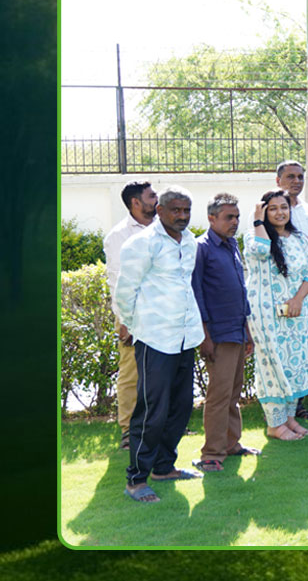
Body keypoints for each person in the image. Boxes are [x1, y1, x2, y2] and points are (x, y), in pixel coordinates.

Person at [114, 187, 205, 502]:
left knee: (181, 407)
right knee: (152, 410)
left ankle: (164, 467)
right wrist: (133, 325)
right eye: (176, 210)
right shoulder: (141, 244)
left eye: (186, 211)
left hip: (185, 337)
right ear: (161, 210)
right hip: (155, 338)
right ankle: (136, 479)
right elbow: (125, 290)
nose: (182, 216)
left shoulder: (190, 241)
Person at [244, 190, 308, 442]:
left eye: (284, 207)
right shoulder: (254, 235)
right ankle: (274, 424)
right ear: (264, 212)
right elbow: (259, 251)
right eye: (273, 208)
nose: (280, 212)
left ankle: (289, 418)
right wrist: (257, 221)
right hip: (266, 313)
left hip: (296, 311)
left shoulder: (300, 238)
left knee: (294, 362)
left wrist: (299, 299)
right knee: (273, 363)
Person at [190, 193, 255, 473]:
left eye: (237, 217)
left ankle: (231, 444)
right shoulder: (201, 248)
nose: (235, 222)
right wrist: (204, 335)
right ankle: (211, 454)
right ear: (211, 218)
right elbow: (196, 293)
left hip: (237, 330)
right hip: (217, 334)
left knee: (233, 391)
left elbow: (240, 291)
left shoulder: (232, 245)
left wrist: (248, 331)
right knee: (219, 395)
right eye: (229, 217)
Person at [105, 180, 156, 448]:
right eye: (152, 195)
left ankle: (161, 425)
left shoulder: (165, 229)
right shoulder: (118, 236)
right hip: (132, 315)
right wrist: (125, 321)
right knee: (131, 373)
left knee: (162, 372)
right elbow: (117, 281)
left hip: (163, 312)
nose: (157, 199)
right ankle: (128, 430)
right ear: (136, 202)